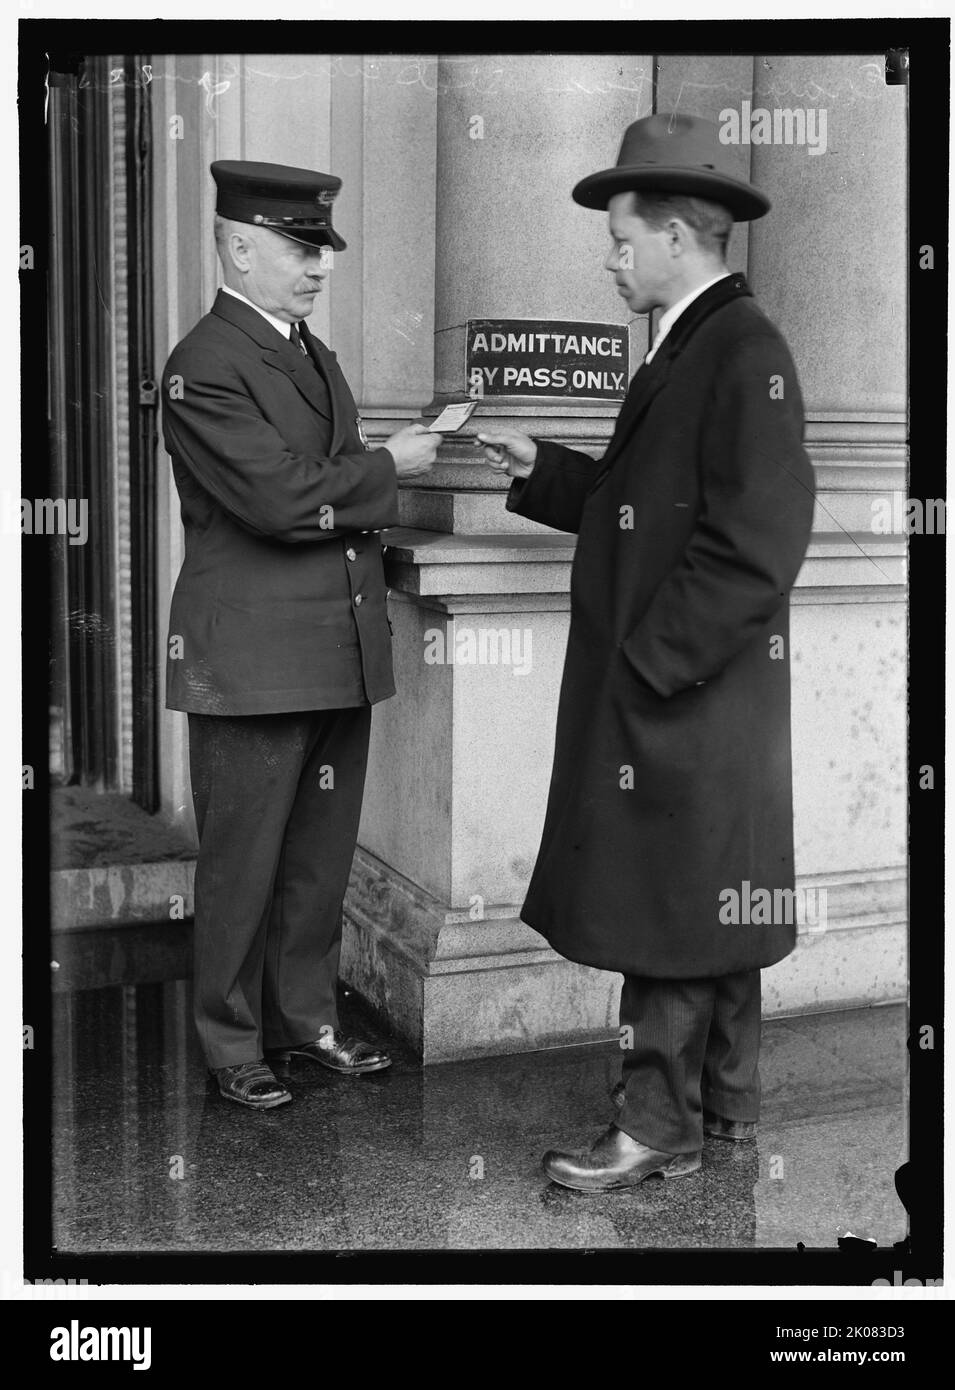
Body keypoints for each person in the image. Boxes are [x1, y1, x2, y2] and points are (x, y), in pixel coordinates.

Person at [477, 114, 816, 1191]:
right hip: (703, 698)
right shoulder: (702, 340)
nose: (609, 261)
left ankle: (652, 1129)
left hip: (688, 694)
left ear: (674, 235)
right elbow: (646, 508)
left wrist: (650, 662)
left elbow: (756, 542)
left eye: (621, 241)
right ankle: (723, 1110)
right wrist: (542, 467)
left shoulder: (739, 348)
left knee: (668, 907)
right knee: (712, 897)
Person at [162, 160, 440, 1109]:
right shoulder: (201, 365)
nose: (319, 266)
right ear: (238, 247)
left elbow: (320, 474)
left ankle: (307, 1024)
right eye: (298, 247)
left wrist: (372, 465)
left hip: (332, 648)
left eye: (321, 249)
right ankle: (231, 1042)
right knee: (243, 865)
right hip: (250, 662)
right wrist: (387, 466)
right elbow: (280, 502)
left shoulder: (308, 353)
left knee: (318, 860)